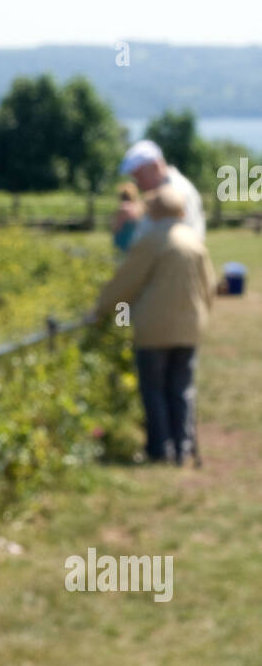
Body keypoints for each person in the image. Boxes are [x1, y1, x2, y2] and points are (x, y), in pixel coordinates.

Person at [91, 185, 217, 463]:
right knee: (182, 388)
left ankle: (160, 449)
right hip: (189, 329)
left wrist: (101, 309)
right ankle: (183, 447)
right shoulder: (195, 241)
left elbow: (126, 282)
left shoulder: (150, 241)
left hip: (153, 330)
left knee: (154, 389)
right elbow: (209, 287)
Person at [119, 139, 206, 240]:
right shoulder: (164, 189)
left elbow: (171, 235)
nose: (138, 184)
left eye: (140, 176)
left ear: (156, 167)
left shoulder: (177, 190)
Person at [111, 181, 142, 253]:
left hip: (124, 240)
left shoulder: (124, 208)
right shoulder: (139, 207)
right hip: (137, 240)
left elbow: (116, 227)